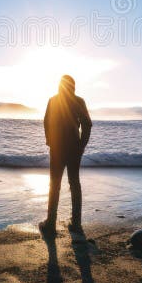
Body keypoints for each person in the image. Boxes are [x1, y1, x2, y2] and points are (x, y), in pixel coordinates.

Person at [39, 74, 92, 236]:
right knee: (74, 183)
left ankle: (50, 223)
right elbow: (87, 124)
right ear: (73, 86)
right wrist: (82, 145)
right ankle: (76, 224)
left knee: (54, 184)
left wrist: (49, 141)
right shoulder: (79, 101)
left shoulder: (53, 100)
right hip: (74, 148)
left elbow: (46, 121)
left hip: (57, 148)